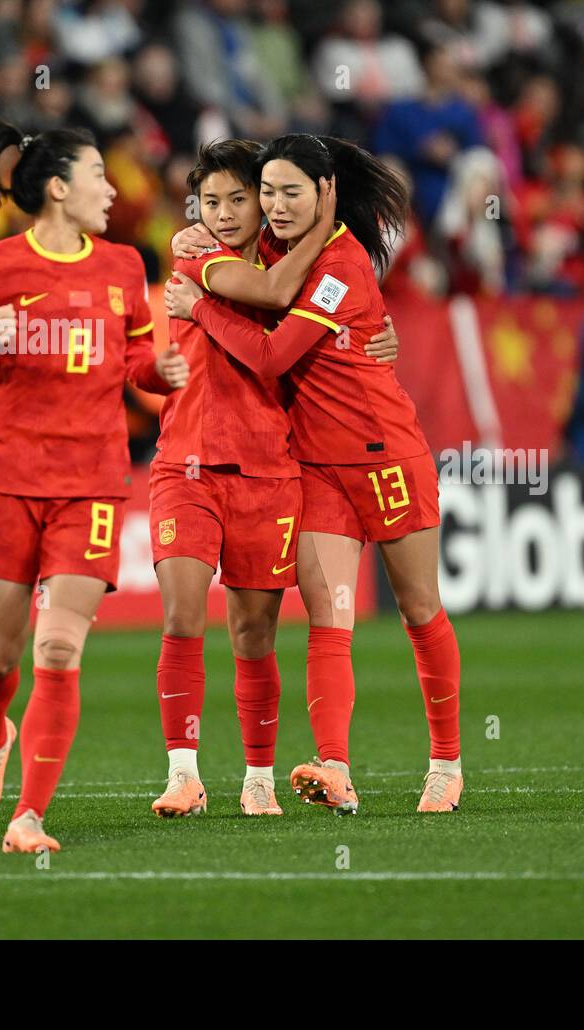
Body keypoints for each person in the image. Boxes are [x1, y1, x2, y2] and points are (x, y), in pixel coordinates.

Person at [0, 119, 188, 852]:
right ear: (59, 187)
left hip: (91, 480)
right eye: (99, 173)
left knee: (58, 651)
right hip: (6, 476)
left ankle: (28, 816)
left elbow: (134, 364)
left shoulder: (125, 265)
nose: (112, 187)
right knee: (0, 658)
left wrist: (159, 375)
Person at [165, 133, 463, 814]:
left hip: (384, 454)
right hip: (316, 469)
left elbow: (271, 359)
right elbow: (242, 259)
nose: (272, 206)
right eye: (265, 192)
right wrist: (201, 230)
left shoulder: (341, 262)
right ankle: (336, 770)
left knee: (419, 610)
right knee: (330, 620)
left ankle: (446, 765)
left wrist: (203, 308)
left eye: (289, 191)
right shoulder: (273, 249)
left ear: (326, 192)